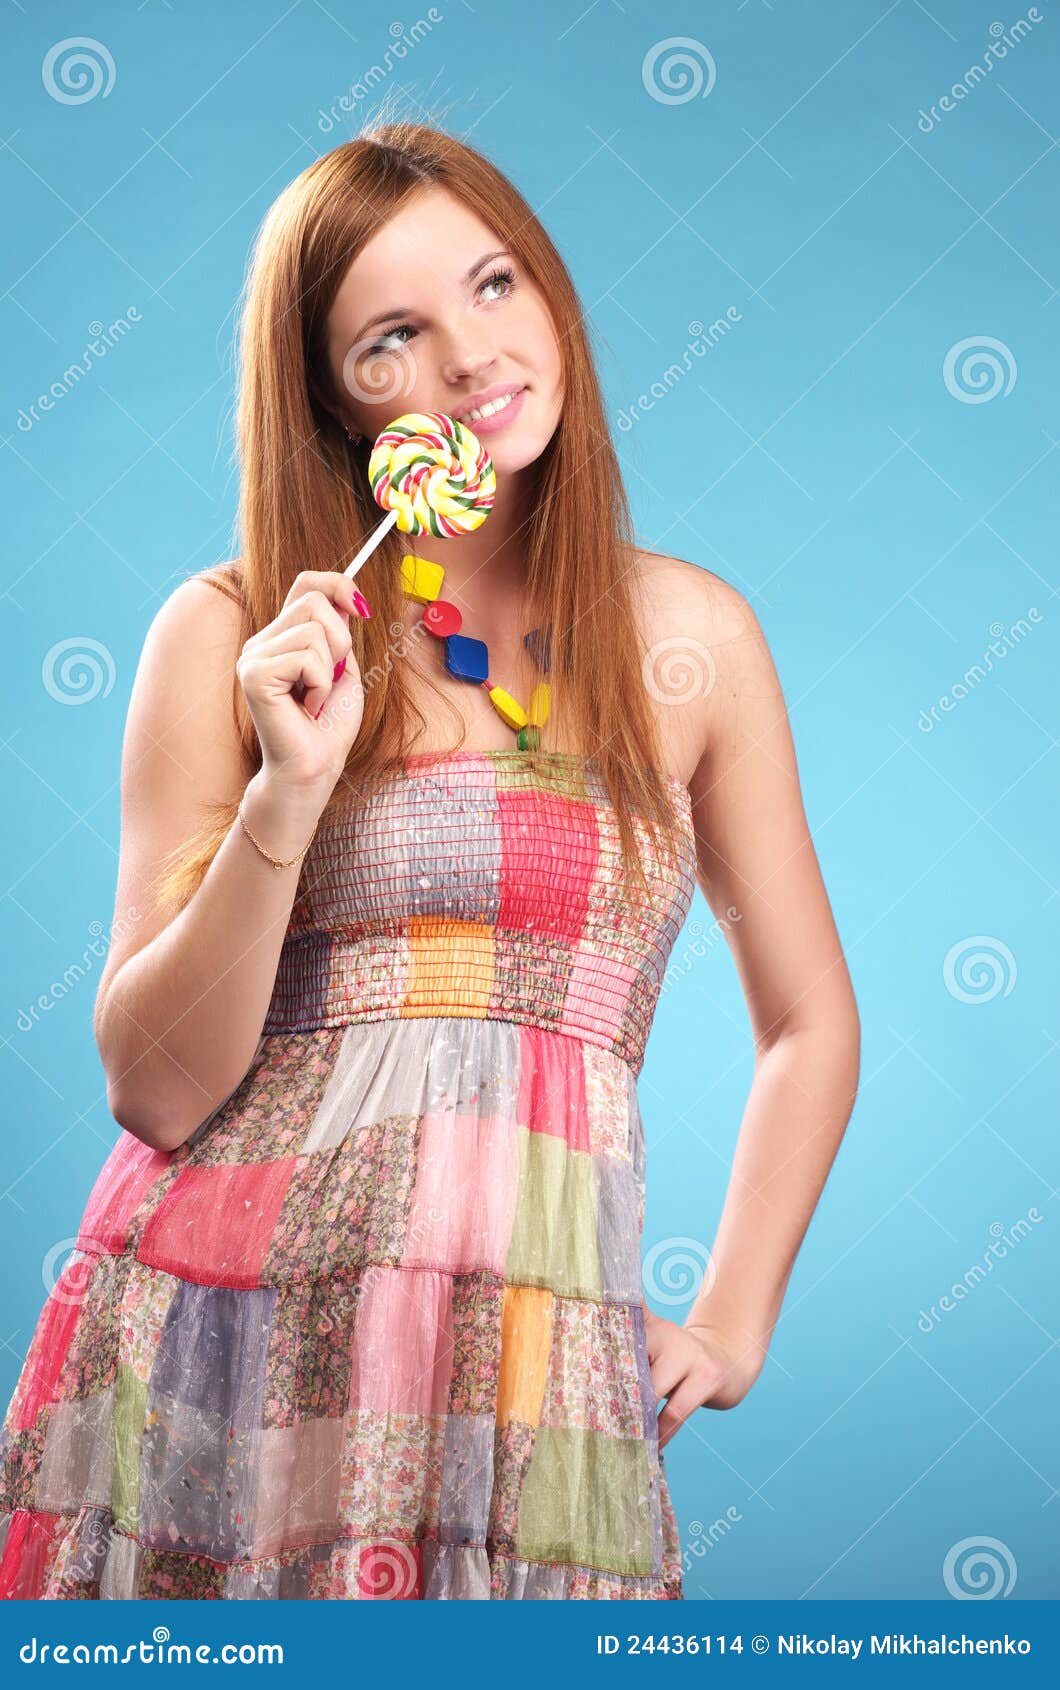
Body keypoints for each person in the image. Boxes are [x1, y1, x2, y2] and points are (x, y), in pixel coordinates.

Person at [0, 121, 860, 1601]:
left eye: (494, 284)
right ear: (331, 399)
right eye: (391, 337)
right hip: (215, 1332)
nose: (470, 356)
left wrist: (731, 1320)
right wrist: (289, 792)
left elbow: (809, 1023)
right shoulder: (232, 636)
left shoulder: (692, 642)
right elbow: (154, 1088)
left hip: (533, 1342)